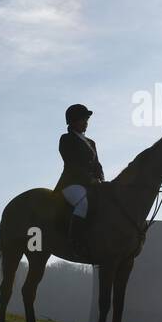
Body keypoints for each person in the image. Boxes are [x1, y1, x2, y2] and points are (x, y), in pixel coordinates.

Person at [55, 103, 104, 252]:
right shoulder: (66, 139)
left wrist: (101, 180)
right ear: (73, 121)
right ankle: (74, 240)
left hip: (92, 184)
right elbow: (72, 164)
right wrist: (90, 180)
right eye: (83, 120)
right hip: (72, 184)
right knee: (83, 204)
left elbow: (97, 165)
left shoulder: (91, 143)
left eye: (86, 120)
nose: (86, 123)